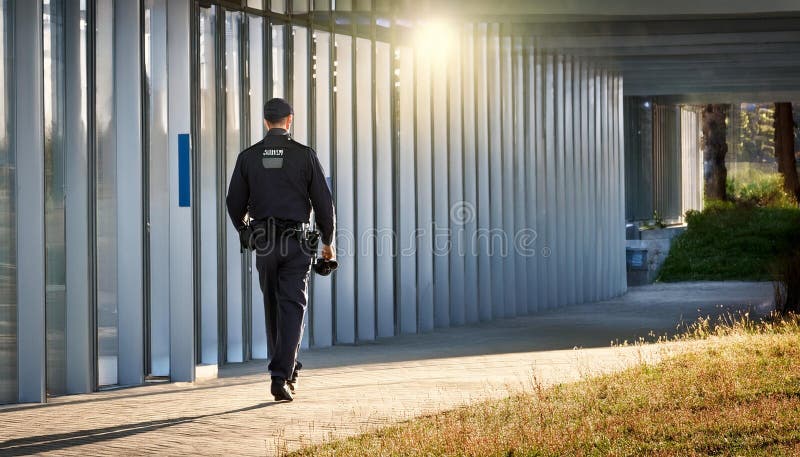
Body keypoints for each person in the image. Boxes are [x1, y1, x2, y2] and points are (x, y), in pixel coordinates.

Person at [226, 97, 336, 402]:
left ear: (265, 122)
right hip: (297, 244)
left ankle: (286, 367)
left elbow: (233, 203)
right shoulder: (305, 156)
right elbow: (324, 205)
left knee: (273, 308)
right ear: (289, 120)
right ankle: (282, 374)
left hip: (264, 243)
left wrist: (245, 231)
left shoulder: (247, 157)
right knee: (293, 308)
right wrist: (328, 242)